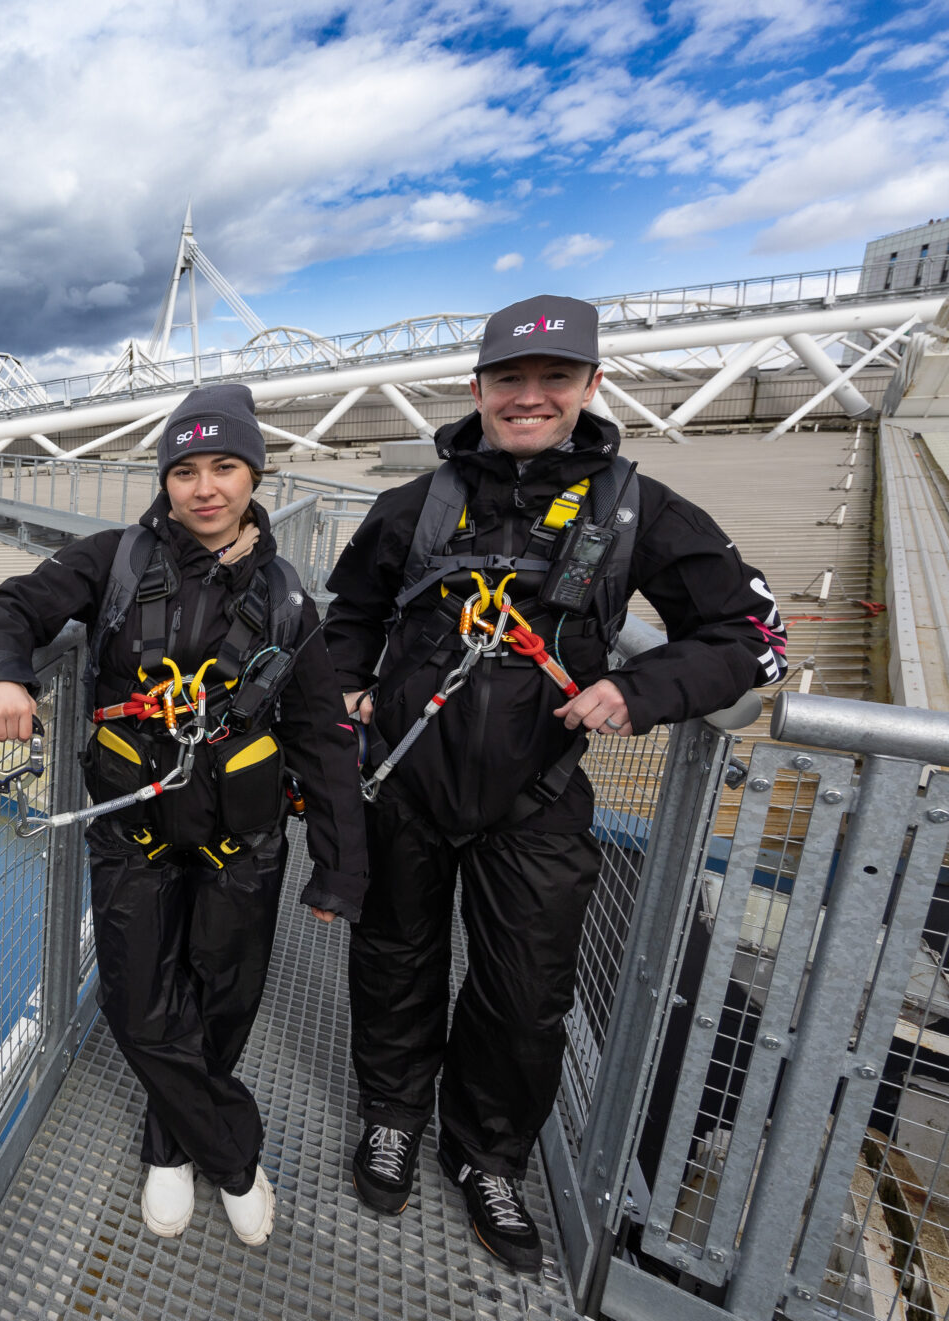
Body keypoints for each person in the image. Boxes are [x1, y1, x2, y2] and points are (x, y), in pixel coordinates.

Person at [324, 296, 787, 1273]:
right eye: (509, 379)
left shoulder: (637, 511)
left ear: (589, 386)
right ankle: (393, 1116)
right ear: (477, 388)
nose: (529, 396)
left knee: (523, 992)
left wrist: (640, 686)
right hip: (405, 786)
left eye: (553, 379)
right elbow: (345, 620)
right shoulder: (409, 507)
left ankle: (484, 1154)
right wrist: (352, 693)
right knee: (392, 960)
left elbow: (752, 638)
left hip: (534, 797)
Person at [0, 383, 368, 1247]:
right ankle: (232, 1152)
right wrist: (4, 672)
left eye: (225, 466)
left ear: (254, 473)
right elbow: (14, 603)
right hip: (133, 834)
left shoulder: (291, 600)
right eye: (184, 469)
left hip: (246, 842)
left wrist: (342, 863)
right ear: (166, 479)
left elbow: (324, 736)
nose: (205, 487)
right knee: (139, 1004)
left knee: (226, 999)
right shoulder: (111, 561)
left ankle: (168, 1140)